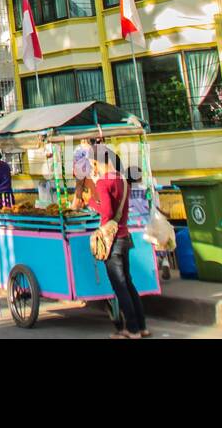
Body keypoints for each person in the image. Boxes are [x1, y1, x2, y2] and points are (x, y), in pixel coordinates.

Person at [73, 143, 148, 339]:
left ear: (98, 161)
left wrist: (90, 202)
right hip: (124, 236)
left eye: (93, 163)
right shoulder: (122, 179)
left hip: (112, 241)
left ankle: (131, 330)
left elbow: (106, 212)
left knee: (120, 286)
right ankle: (141, 327)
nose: (93, 167)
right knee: (129, 284)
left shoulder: (104, 182)